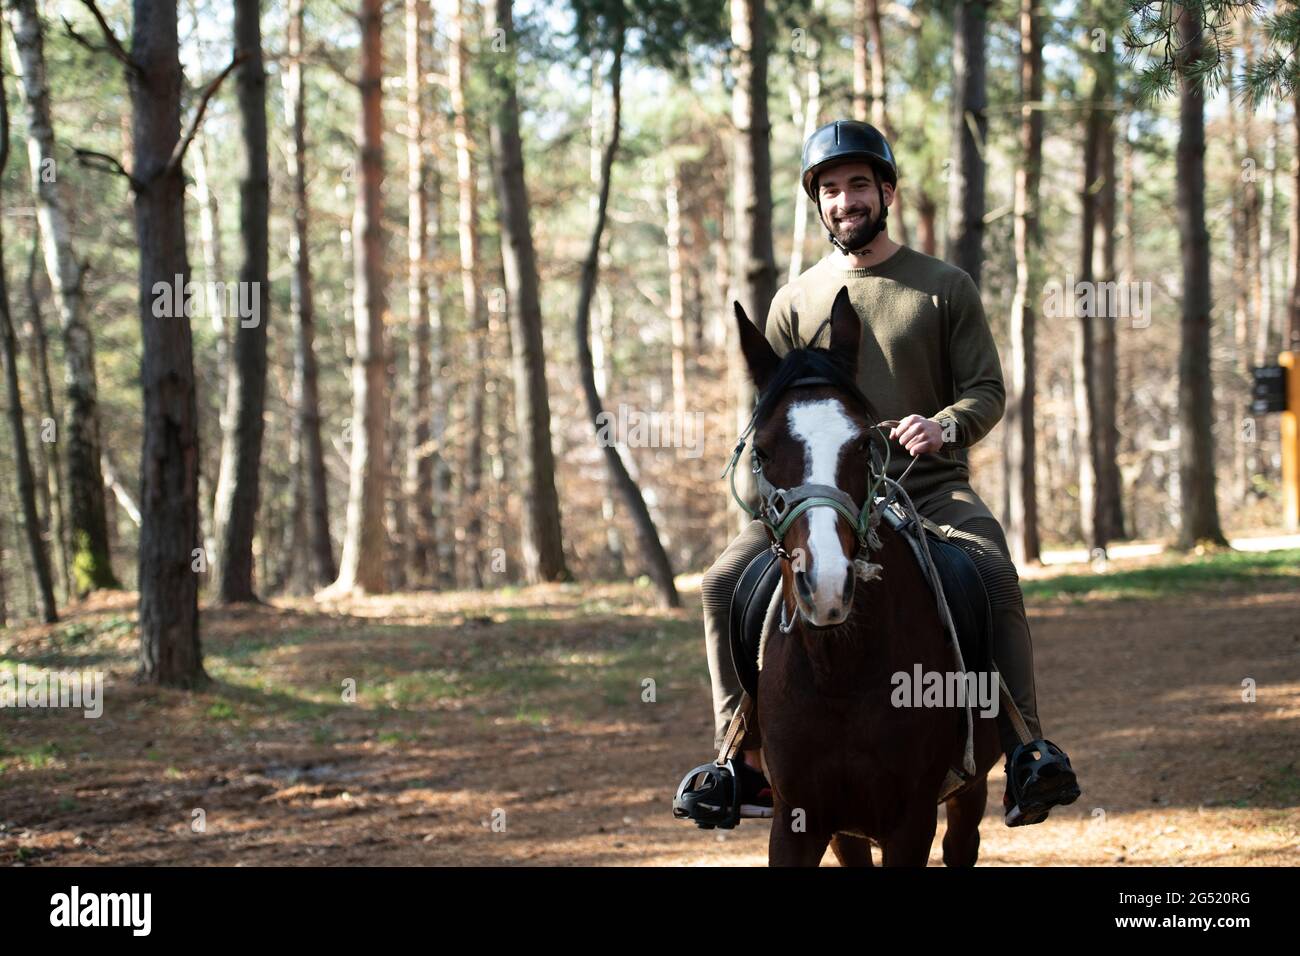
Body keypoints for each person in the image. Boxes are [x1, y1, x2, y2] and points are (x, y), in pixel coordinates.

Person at [674, 119, 1080, 829]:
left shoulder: (942, 288)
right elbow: (771, 422)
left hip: (929, 489)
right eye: (829, 189)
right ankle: (735, 759)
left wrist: (943, 425)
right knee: (717, 584)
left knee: (993, 573)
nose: (843, 200)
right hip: (822, 500)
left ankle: (1025, 750)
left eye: (858, 184)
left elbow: (986, 390)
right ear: (818, 203)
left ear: (886, 192)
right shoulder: (793, 304)